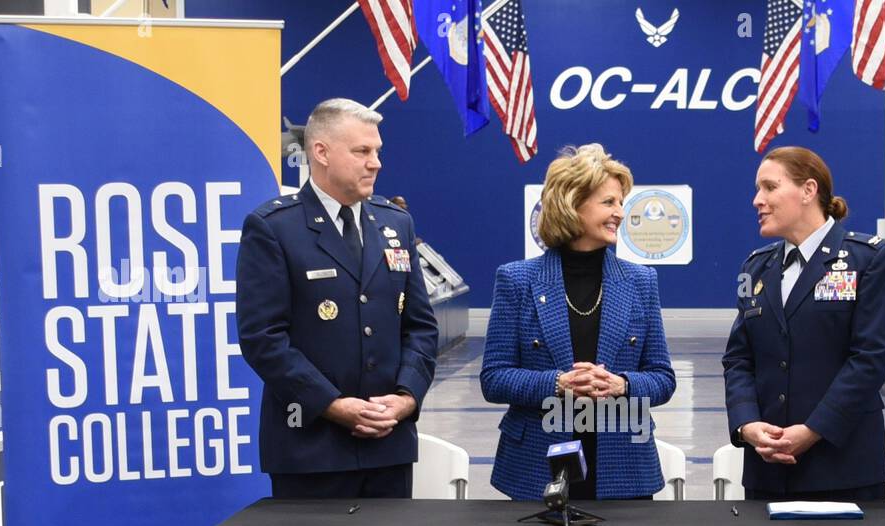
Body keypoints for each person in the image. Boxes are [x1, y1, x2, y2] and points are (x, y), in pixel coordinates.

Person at [235, 98, 438, 499]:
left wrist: (405, 398)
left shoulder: (396, 222)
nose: (376, 162)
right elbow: (264, 338)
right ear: (321, 153)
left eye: (377, 151)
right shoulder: (273, 228)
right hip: (310, 449)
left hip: (388, 446)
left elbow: (420, 327)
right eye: (362, 151)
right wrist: (333, 405)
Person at [480, 143, 675, 501]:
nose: (620, 212)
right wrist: (556, 384)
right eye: (608, 202)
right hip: (536, 471)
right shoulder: (516, 280)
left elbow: (663, 379)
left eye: (620, 201)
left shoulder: (641, 282)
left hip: (624, 470)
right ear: (571, 204)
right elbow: (494, 379)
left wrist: (622, 385)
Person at [723, 146, 885, 502]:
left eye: (769, 187)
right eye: (758, 189)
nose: (758, 200)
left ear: (808, 190)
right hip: (767, 469)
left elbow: (870, 358)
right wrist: (747, 425)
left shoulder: (869, 259)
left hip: (844, 468)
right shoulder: (755, 268)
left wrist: (813, 430)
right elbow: (739, 359)